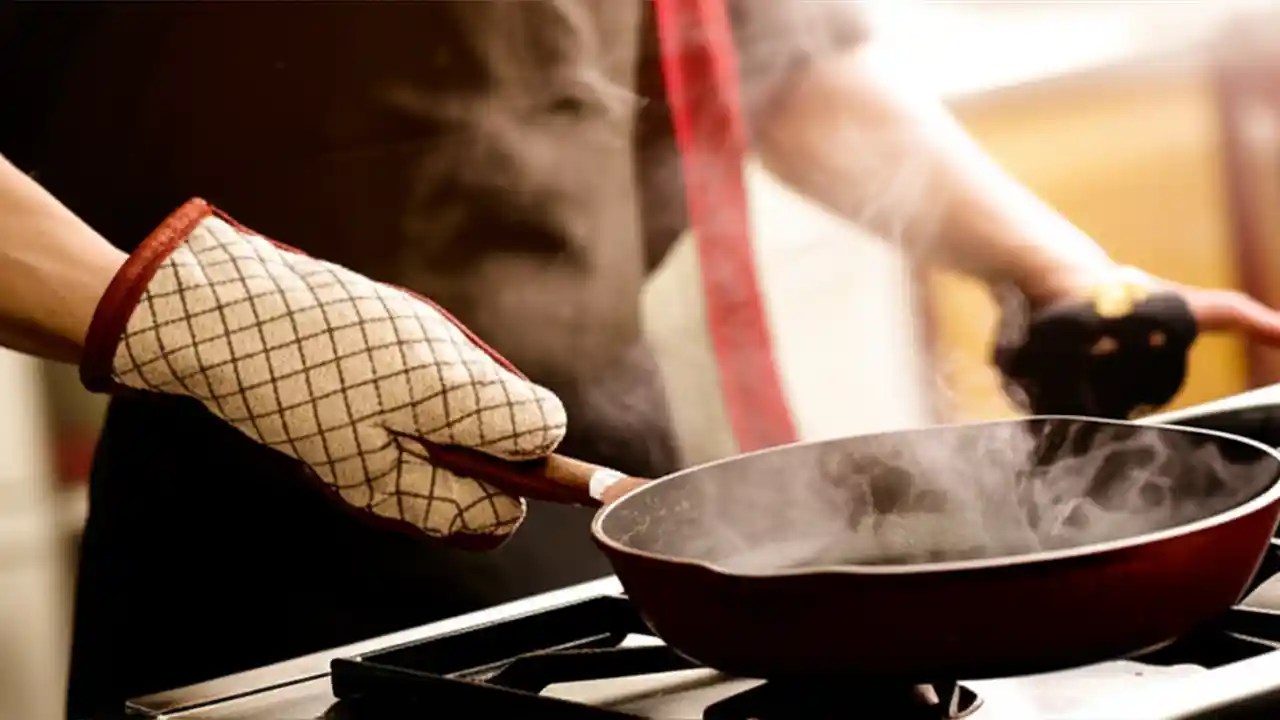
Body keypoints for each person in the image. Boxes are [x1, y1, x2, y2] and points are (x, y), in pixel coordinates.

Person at [3, 2, 1280, 718]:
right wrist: (189, 313)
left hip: (620, 524)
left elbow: (773, 56)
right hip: (250, 559)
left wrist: (1057, 269)